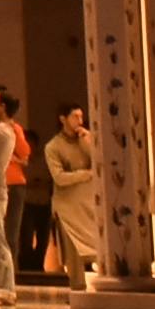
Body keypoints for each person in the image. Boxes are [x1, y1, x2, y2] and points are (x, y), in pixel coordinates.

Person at [42, 104, 100, 277]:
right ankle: (78, 292)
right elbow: (59, 177)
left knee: (97, 251)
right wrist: (85, 174)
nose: (80, 121)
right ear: (63, 119)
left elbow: (100, 166)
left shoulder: (87, 139)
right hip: (68, 209)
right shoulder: (53, 146)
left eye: (81, 117)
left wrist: (91, 143)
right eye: (75, 116)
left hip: (89, 207)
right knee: (74, 258)